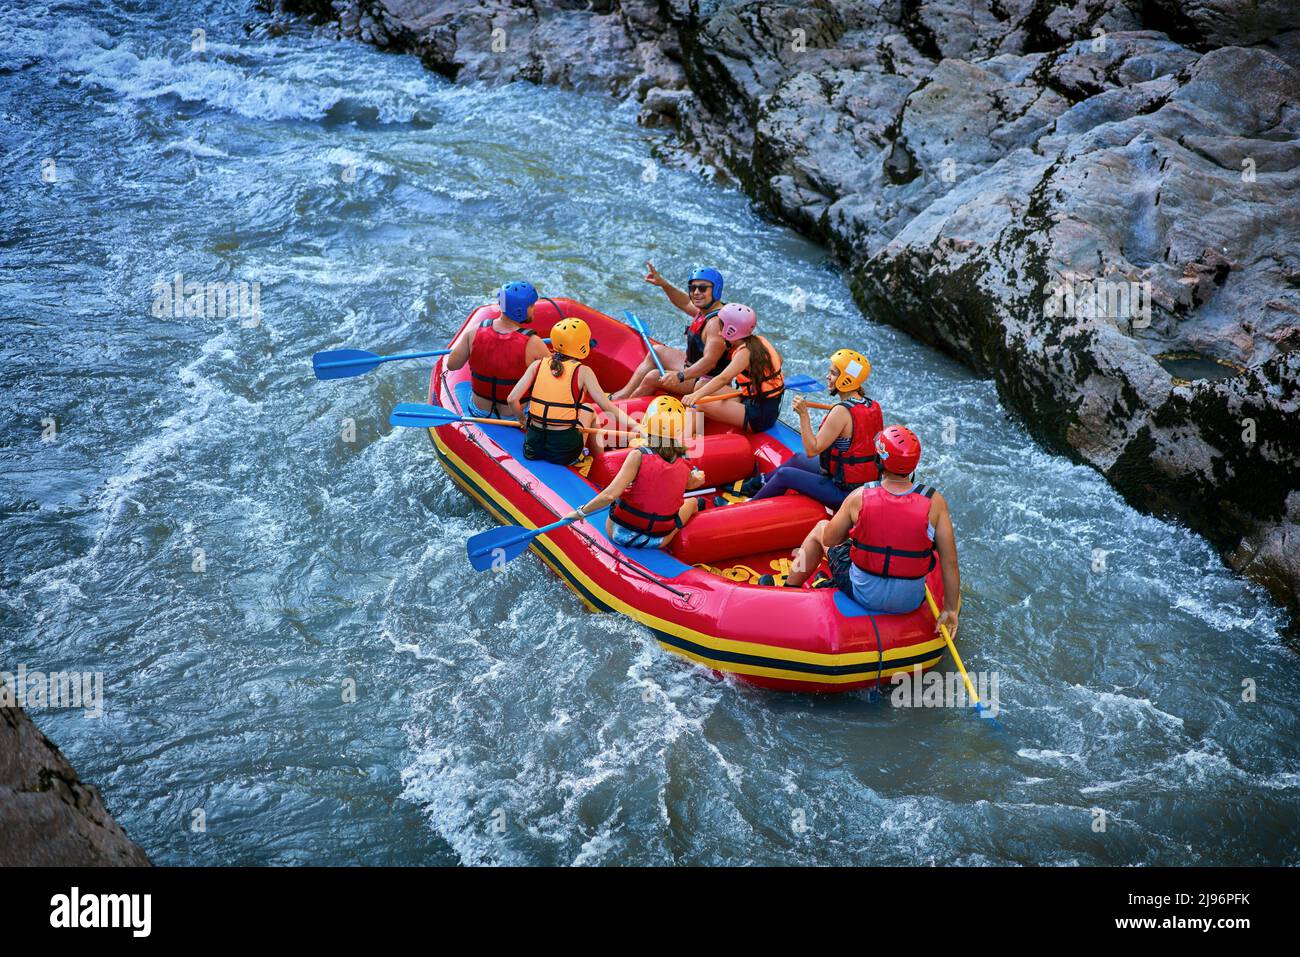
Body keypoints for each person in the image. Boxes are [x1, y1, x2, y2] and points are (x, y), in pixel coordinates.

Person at [758, 426, 960, 637]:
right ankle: (825, 583)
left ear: (880, 461)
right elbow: (950, 561)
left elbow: (830, 538)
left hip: (865, 593)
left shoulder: (860, 496)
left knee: (820, 529)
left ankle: (789, 589)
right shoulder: (935, 502)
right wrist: (950, 609)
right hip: (909, 600)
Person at [733, 349, 882, 507]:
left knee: (785, 474)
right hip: (856, 482)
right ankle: (752, 486)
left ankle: (747, 506)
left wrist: (803, 415)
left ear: (845, 379)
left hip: (845, 493)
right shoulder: (872, 406)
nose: (827, 377)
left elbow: (812, 450)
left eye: (832, 373)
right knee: (797, 458)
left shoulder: (841, 411)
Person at [564, 397, 706, 549]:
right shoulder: (684, 461)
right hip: (658, 540)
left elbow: (609, 495)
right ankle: (699, 506)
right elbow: (692, 484)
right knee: (691, 502)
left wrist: (579, 513)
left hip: (618, 532)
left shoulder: (639, 455)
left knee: (625, 492)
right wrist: (699, 478)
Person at [509, 317, 632, 465]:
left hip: (533, 447)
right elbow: (608, 407)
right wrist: (637, 426)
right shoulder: (584, 371)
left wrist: (522, 420)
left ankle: (597, 459)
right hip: (563, 452)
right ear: (582, 345)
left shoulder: (537, 365)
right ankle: (601, 462)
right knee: (589, 409)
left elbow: (512, 399)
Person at [612, 263, 729, 400]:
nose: (696, 292)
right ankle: (622, 396)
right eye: (693, 288)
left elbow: (710, 362)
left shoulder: (716, 324)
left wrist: (679, 376)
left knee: (654, 377)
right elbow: (685, 303)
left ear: (716, 290)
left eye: (702, 288)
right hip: (692, 368)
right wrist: (663, 284)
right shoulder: (707, 309)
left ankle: (621, 410)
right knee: (657, 351)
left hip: (706, 382)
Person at [445, 281, 552, 417]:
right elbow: (557, 377)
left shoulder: (474, 331)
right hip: (515, 416)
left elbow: (452, 365)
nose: (534, 308)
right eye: (531, 305)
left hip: (479, 411)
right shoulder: (534, 343)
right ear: (519, 310)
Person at [682, 303, 785, 433]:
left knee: (698, 402)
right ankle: (694, 432)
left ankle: (683, 444)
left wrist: (695, 396)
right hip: (756, 401)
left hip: (759, 415)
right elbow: (779, 361)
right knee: (700, 385)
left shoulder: (744, 353)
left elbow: (723, 379)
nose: (719, 332)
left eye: (721, 327)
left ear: (731, 330)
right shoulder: (760, 341)